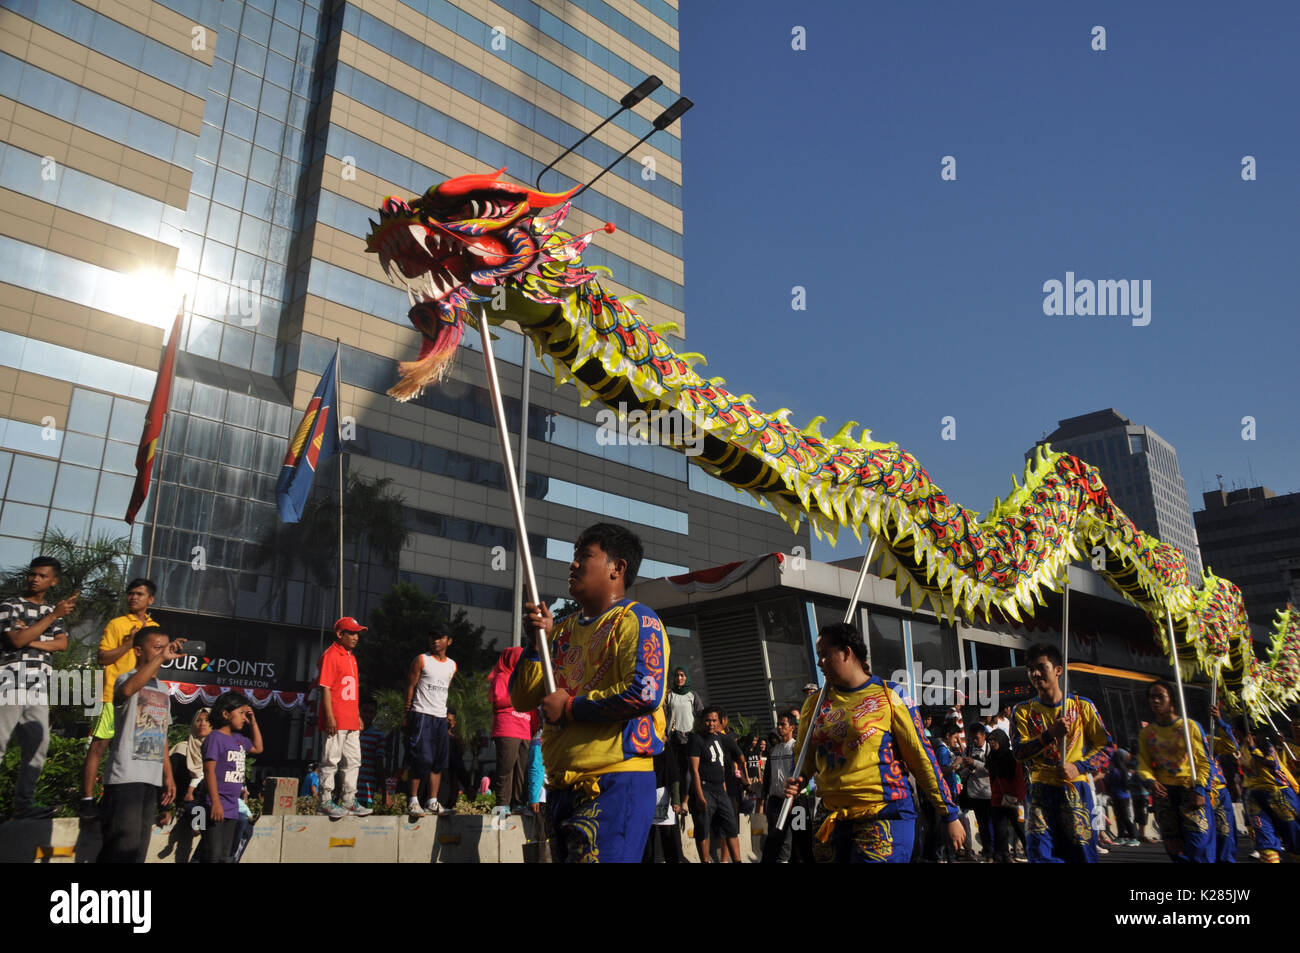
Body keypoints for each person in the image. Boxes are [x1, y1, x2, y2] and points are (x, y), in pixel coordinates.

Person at [513, 522, 668, 864]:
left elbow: (645, 692)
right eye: (575, 556)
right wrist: (536, 644)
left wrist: (571, 708)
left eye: (584, 556)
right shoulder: (561, 630)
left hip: (616, 782)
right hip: (561, 787)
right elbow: (521, 699)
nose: (573, 564)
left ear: (617, 568)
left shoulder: (637, 621)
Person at [784, 623, 963, 863]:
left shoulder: (890, 695)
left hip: (886, 815)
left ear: (846, 652)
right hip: (832, 820)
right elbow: (803, 758)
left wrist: (949, 813)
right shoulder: (814, 704)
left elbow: (921, 757)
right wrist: (798, 779)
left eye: (824, 655)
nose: (819, 663)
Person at [1012, 642, 1114, 863]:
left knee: (1082, 855)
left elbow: (1107, 747)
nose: (1035, 674)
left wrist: (1078, 767)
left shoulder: (1082, 706)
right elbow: (1019, 752)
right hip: (1040, 792)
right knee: (1040, 855)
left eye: (1041, 667)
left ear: (1058, 670)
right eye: (1031, 669)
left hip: (1075, 789)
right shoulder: (1022, 711)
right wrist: (1048, 735)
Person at [97, 626, 183, 862]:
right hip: (126, 777)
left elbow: (162, 732)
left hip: (151, 779)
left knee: (138, 850)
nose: (164, 652)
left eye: (166, 647)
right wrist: (160, 659)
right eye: (157, 648)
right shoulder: (126, 679)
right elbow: (126, 691)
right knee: (121, 847)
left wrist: (168, 776)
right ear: (138, 651)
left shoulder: (164, 689)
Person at [0, 556, 77, 818]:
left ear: (53, 581)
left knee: (38, 744)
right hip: (11, 680)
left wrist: (30, 638)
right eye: (33, 574)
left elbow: (61, 644)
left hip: (39, 685)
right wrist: (51, 619)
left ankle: (24, 804)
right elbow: (15, 640)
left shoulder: (52, 612)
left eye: (42, 575)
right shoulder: (11, 605)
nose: (35, 579)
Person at [80, 578, 157, 818]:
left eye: (139, 594)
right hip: (111, 695)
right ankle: (86, 800)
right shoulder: (117, 624)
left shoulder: (155, 627)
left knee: (134, 749)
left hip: (142, 698)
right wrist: (131, 643)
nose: (133, 597)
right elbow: (102, 658)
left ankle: (119, 799)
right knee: (99, 746)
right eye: (130, 593)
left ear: (150, 599)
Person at [1136, 680, 1215, 863]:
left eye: (1160, 696)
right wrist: (1150, 781)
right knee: (1175, 848)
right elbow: (1143, 763)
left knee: (1199, 845)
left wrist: (1200, 789)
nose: (1155, 701)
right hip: (1164, 796)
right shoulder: (1147, 733)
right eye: (1152, 697)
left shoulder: (1190, 727)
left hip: (1190, 791)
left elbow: (1204, 761)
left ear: (1171, 699)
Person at [198, 691, 262, 864]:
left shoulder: (239, 739)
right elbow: (209, 771)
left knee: (223, 855)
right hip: (214, 805)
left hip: (232, 806)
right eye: (241, 713)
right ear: (226, 714)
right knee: (212, 854)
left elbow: (258, 748)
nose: (244, 718)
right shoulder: (215, 738)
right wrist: (215, 802)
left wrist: (253, 721)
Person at [316, 616, 371, 818]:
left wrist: (357, 715)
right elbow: (325, 688)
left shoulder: (351, 657)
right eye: (352, 633)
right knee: (331, 759)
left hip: (350, 718)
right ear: (340, 634)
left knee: (354, 760)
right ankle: (325, 801)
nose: (356, 637)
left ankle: (349, 800)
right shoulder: (330, 654)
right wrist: (330, 717)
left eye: (358, 633)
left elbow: (352, 691)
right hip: (336, 718)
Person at [405, 627, 456, 818]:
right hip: (422, 715)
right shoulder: (422, 659)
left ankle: (432, 802)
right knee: (421, 759)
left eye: (439, 637)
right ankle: (413, 801)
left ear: (448, 641)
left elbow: (446, 689)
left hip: (440, 718)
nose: (435, 641)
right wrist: (406, 713)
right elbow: (411, 686)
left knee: (438, 762)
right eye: (432, 637)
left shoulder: (452, 665)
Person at [1237, 720, 1300, 863]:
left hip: (1277, 793)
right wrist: (1220, 721)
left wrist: (1254, 749)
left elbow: (1273, 764)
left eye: (1237, 731)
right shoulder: (1241, 747)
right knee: (1265, 838)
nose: (1235, 734)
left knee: (1293, 836)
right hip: (1253, 796)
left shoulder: (1264, 744)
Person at [688, 707, 745, 862]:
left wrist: (724, 787)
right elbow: (694, 770)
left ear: (719, 722)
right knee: (703, 830)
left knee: (731, 827)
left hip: (720, 790)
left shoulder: (719, 738)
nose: (711, 724)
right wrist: (699, 796)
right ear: (701, 722)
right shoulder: (696, 739)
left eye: (714, 720)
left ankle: (737, 860)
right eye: (708, 720)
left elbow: (721, 765)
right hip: (704, 789)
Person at [489, 646, 532, 812]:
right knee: (506, 767)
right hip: (507, 728)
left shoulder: (524, 680)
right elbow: (498, 700)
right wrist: (520, 698)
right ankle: (502, 803)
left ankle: (518, 803)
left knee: (522, 769)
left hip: (525, 729)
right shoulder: (503, 676)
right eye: (520, 658)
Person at [761, 712, 797, 863]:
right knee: (774, 836)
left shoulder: (796, 747)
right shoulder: (774, 749)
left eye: (783, 724)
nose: (779, 727)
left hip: (793, 801)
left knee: (790, 837)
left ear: (792, 727)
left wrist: (794, 797)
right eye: (778, 724)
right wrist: (764, 797)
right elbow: (768, 775)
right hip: (775, 800)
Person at [987, 727, 1027, 862]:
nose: (992, 743)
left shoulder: (1011, 756)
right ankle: (1004, 856)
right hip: (997, 799)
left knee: (1020, 829)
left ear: (1001, 740)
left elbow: (1019, 778)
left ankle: (1031, 852)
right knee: (1000, 831)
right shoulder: (991, 757)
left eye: (994, 740)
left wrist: (1020, 798)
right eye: (990, 740)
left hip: (1014, 799)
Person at [1207, 703, 1240, 863]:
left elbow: (1231, 746)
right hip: (1193, 795)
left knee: (1225, 835)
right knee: (1201, 841)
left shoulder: (1206, 740)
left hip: (1218, 793)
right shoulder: (1170, 743)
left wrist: (1219, 721)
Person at [642, 746, 684, 863]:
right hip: (649, 796)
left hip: (663, 797)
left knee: (667, 834)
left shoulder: (666, 751)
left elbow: (673, 776)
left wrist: (676, 800)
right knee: (652, 835)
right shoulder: (647, 749)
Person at [664, 666, 703, 788]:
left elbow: (701, 714)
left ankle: (690, 795)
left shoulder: (692, 695)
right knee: (676, 770)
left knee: (691, 769)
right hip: (673, 738)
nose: (679, 678)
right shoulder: (669, 695)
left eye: (682, 675)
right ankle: (677, 796)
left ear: (687, 677)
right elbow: (663, 715)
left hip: (690, 737)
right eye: (676, 675)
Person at [961, 722, 994, 860]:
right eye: (972, 738)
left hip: (989, 793)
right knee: (982, 824)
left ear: (984, 736)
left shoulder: (991, 749)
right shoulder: (968, 750)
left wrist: (975, 763)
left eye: (977, 738)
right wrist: (966, 769)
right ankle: (987, 851)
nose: (974, 741)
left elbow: (992, 770)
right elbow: (963, 770)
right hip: (974, 793)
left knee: (991, 823)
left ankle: (993, 851)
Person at [356, 699, 386, 809]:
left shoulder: (379, 735)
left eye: (371, 712)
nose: (367, 715)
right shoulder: (351, 733)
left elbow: (379, 763)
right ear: (359, 712)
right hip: (348, 789)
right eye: (365, 711)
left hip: (367, 790)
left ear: (375, 715)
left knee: (365, 815)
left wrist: (384, 791)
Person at [1106, 749, 1140, 846]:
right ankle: (1123, 836)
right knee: (1123, 817)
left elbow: (1108, 782)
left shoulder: (1113, 771)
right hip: (1123, 796)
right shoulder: (1124, 770)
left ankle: (1132, 837)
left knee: (1123, 817)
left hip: (1119, 796)